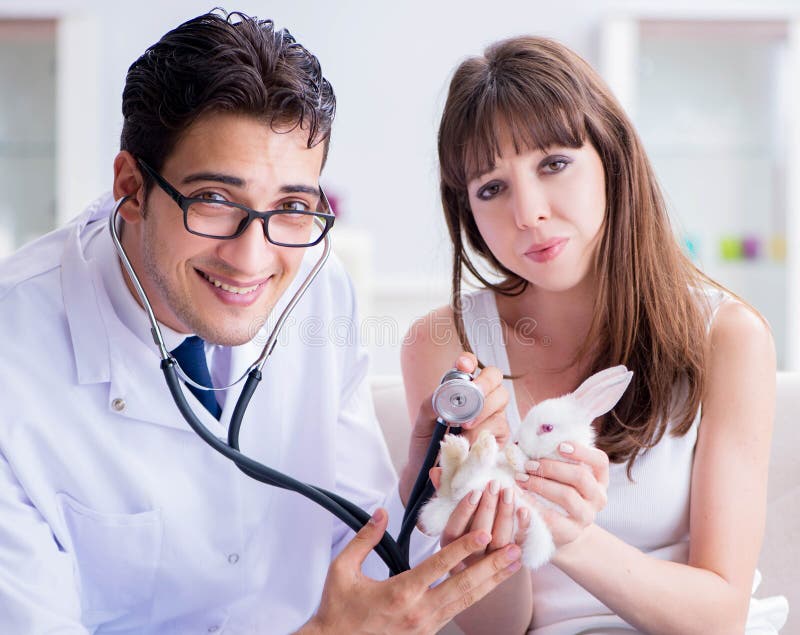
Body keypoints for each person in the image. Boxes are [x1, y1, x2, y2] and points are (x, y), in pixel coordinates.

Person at [0, 11, 526, 634]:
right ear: (132, 188)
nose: (252, 259)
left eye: (292, 207)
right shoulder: (16, 357)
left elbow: (357, 562)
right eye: (216, 202)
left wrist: (422, 483)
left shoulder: (318, 290)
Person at [402, 36, 789, 634]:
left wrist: (570, 535)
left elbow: (720, 614)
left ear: (612, 157)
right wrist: (471, 526)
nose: (528, 212)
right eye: (491, 188)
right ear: (467, 211)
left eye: (553, 164)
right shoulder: (445, 344)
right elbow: (498, 629)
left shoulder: (728, 337)